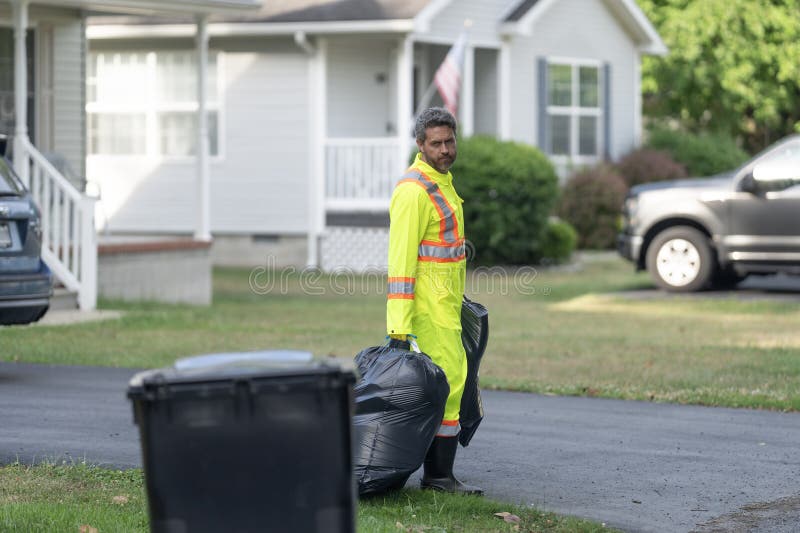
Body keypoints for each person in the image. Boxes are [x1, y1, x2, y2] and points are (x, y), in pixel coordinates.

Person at [386, 107, 482, 495]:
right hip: (425, 311)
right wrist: (398, 327)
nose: (445, 150)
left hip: (445, 306)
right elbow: (401, 264)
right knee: (448, 384)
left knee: (452, 382)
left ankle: (437, 475)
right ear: (420, 145)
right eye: (436, 143)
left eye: (449, 141)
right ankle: (438, 477)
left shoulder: (442, 183)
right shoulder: (413, 191)